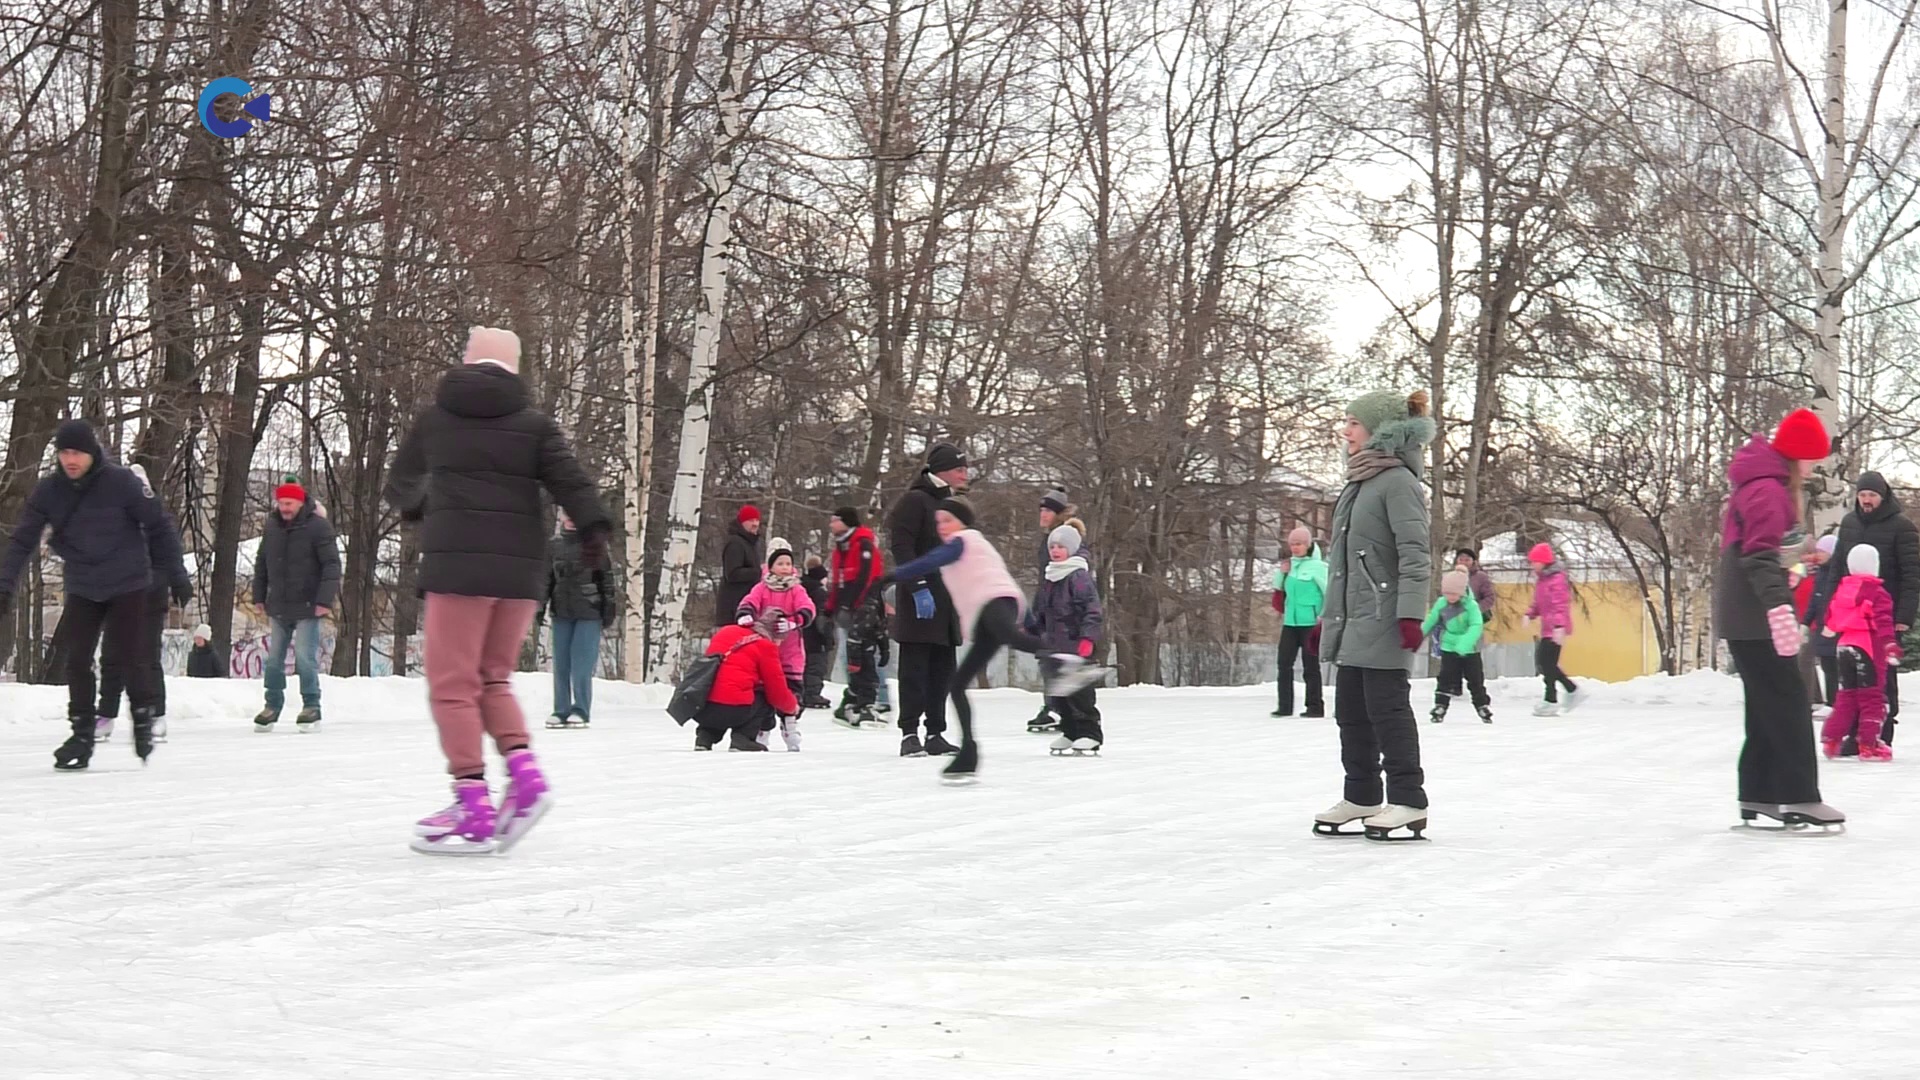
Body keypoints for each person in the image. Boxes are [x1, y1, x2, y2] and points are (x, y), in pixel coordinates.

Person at [387, 325, 610, 856]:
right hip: (520, 574)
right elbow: (572, 481)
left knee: (452, 685)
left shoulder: (437, 418)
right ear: (514, 368)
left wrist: (418, 505)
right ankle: (525, 777)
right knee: (493, 680)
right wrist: (595, 530)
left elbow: (401, 483)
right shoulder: (535, 425)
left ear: (469, 362)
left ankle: (472, 803)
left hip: (458, 569)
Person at [0, 419, 191, 770]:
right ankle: (83, 732)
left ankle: (143, 716)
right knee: (77, 660)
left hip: (129, 581)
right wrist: (5, 584)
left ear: (92, 454)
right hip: (84, 584)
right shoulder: (50, 490)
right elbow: (23, 540)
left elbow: (159, 526)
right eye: (64, 453)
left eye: (78, 453)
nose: (71, 460)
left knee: (130, 655)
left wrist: (176, 574)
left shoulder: (121, 483)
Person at [883, 496, 1104, 782]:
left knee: (1010, 637)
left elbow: (929, 561)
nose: (942, 527)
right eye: (938, 522)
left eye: (947, 520)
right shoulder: (976, 546)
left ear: (962, 521)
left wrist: (890, 576)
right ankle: (968, 753)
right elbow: (1007, 579)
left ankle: (1070, 664)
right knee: (958, 686)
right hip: (995, 608)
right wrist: (1030, 620)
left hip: (996, 604)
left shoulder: (964, 540)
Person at [1311, 390, 1434, 841]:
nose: (1345, 431)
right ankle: (1362, 794)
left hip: (1384, 614)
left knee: (1387, 709)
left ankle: (1408, 800)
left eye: (1353, 423)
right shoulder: (1359, 482)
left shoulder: (1398, 482)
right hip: (1354, 616)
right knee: (1351, 711)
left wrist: (1409, 614)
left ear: (1378, 430)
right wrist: (1329, 618)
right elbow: (1343, 565)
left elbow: (1416, 553)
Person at [1715, 407, 1844, 829]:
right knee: (1789, 699)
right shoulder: (1768, 489)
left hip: (1746, 612)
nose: (1812, 469)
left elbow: (1771, 551)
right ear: (1794, 454)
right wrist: (1778, 607)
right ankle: (1797, 795)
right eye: (1810, 459)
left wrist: (1800, 560)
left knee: (1767, 701)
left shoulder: (1762, 484)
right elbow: (1757, 556)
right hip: (1755, 614)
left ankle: (1760, 792)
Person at [1821, 471, 1920, 745]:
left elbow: (1912, 574)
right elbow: (1836, 570)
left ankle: (1882, 732)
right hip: (1852, 616)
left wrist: (1904, 616)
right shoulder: (1849, 523)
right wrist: (1830, 609)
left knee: (1881, 676)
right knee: (1852, 677)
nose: (1866, 501)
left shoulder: (1902, 527)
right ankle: (1855, 733)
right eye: (1863, 495)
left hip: (1884, 615)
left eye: (1872, 496)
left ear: (1883, 496)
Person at [886, 442, 970, 757]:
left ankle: (936, 731)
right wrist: (917, 584)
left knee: (942, 669)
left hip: (948, 600)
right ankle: (910, 732)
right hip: (921, 596)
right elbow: (902, 546)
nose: (964, 474)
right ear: (942, 470)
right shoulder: (915, 501)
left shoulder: (952, 505)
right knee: (915, 668)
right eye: (959, 468)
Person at [95, 463, 182, 744]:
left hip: (149, 596)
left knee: (145, 656)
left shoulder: (156, 521)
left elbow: (170, 556)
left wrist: (168, 581)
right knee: (111, 657)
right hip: (117, 597)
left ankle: (156, 714)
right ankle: (105, 714)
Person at [250, 474, 341, 732]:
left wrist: (325, 599)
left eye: (290, 503)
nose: (285, 508)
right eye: (282, 503)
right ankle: (272, 706)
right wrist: (258, 595)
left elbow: (332, 565)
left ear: (300, 503)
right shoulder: (272, 526)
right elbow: (262, 562)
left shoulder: (318, 527)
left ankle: (311, 706)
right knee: (274, 659)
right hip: (278, 603)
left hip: (309, 603)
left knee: (304, 657)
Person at [1026, 523, 1106, 753]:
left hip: (1074, 643)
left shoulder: (1078, 576)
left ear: (1071, 549)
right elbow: (1040, 611)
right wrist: (1031, 631)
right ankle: (1070, 731)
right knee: (1058, 693)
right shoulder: (1051, 576)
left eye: (1061, 546)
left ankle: (1090, 732)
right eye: (1052, 546)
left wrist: (1087, 638)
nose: (1055, 550)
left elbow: (1092, 609)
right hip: (1052, 646)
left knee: (1079, 692)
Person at [734, 537, 817, 751]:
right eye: (780, 564)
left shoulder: (796, 589)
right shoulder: (762, 588)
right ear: (770, 566)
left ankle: (790, 721)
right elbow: (749, 602)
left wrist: (794, 621)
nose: (784, 568)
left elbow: (808, 608)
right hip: (766, 653)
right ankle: (764, 728)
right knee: (765, 692)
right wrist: (745, 614)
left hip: (790, 653)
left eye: (788, 564)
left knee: (790, 690)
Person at [1819, 544, 1898, 762]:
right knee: (1872, 697)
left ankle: (1831, 738)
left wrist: (1828, 628)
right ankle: (1869, 744)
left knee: (1846, 696)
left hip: (1844, 646)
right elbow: (1882, 620)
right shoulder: (1876, 592)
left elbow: (1831, 617)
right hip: (1868, 646)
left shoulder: (1843, 589)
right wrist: (1890, 643)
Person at [542, 509, 615, 729]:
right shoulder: (553, 546)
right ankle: (560, 709)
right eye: (567, 513)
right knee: (561, 664)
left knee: (581, 664)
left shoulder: (596, 545)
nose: (571, 518)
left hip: (588, 611)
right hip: (561, 610)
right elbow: (546, 580)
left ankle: (581, 709)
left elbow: (607, 582)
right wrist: (539, 607)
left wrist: (609, 609)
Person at [695, 608, 801, 751]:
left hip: (703, 706)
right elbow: (777, 691)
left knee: (719, 689)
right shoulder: (766, 646)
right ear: (774, 635)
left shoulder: (727, 631)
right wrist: (792, 706)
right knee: (762, 697)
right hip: (735, 709)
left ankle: (704, 738)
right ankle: (742, 739)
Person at [826, 506, 884, 725]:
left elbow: (865, 578)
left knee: (862, 652)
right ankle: (853, 698)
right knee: (849, 656)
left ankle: (867, 701)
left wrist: (853, 605)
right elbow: (837, 583)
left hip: (863, 607)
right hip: (847, 608)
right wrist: (829, 609)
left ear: (846, 522)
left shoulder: (862, 544)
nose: (831, 525)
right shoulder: (840, 548)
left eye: (835, 520)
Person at [1423, 569, 1490, 723]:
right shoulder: (1442, 603)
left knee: (1475, 679)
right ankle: (1440, 705)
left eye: (1453, 594)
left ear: (1461, 593)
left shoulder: (1471, 606)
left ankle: (1482, 705)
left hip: (1470, 650)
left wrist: (1465, 643)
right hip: (1449, 648)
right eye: (1446, 594)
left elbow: (1476, 625)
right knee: (1445, 678)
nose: (1449, 597)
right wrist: (1416, 636)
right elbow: (1431, 621)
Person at [1274, 526, 1327, 718]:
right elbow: (1278, 589)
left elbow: (1328, 592)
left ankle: (1315, 707)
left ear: (1308, 545)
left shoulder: (1319, 567)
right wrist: (1282, 572)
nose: (1295, 548)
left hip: (1311, 624)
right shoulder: (1290, 565)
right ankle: (1284, 706)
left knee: (1310, 666)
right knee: (1283, 664)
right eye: (1292, 544)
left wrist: (1322, 616)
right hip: (1290, 622)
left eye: (1299, 544)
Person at [1526, 543, 1579, 716]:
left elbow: (1560, 605)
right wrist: (1530, 614)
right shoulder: (1542, 580)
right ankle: (1561, 693)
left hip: (1557, 628)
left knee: (1546, 663)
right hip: (1547, 628)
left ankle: (1556, 696)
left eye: (1534, 561)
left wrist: (1558, 626)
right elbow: (1539, 603)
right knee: (1545, 663)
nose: (1532, 565)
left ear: (1543, 561)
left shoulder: (1557, 579)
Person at [1798, 534, 1838, 712]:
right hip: (1817, 622)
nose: (1815, 555)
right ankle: (1821, 700)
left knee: (1829, 665)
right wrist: (1806, 621)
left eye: (1821, 551)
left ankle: (1831, 703)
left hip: (1832, 624)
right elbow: (1815, 599)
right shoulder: (1811, 571)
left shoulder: (1834, 572)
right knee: (1824, 664)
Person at [715, 504, 764, 628]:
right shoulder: (735, 543)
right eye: (751, 520)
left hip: (744, 607)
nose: (755, 524)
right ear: (742, 523)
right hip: (733, 608)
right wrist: (757, 572)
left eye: (757, 520)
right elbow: (732, 574)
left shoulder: (750, 543)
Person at [800, 554, 834, 709]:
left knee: (805, 664)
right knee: (817, 665)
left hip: (803, 633)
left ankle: (802, 692)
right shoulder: (820, 592)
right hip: (816, 636)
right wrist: (827, 636)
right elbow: (823, 616)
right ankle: (812, 694)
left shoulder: (801, 587)